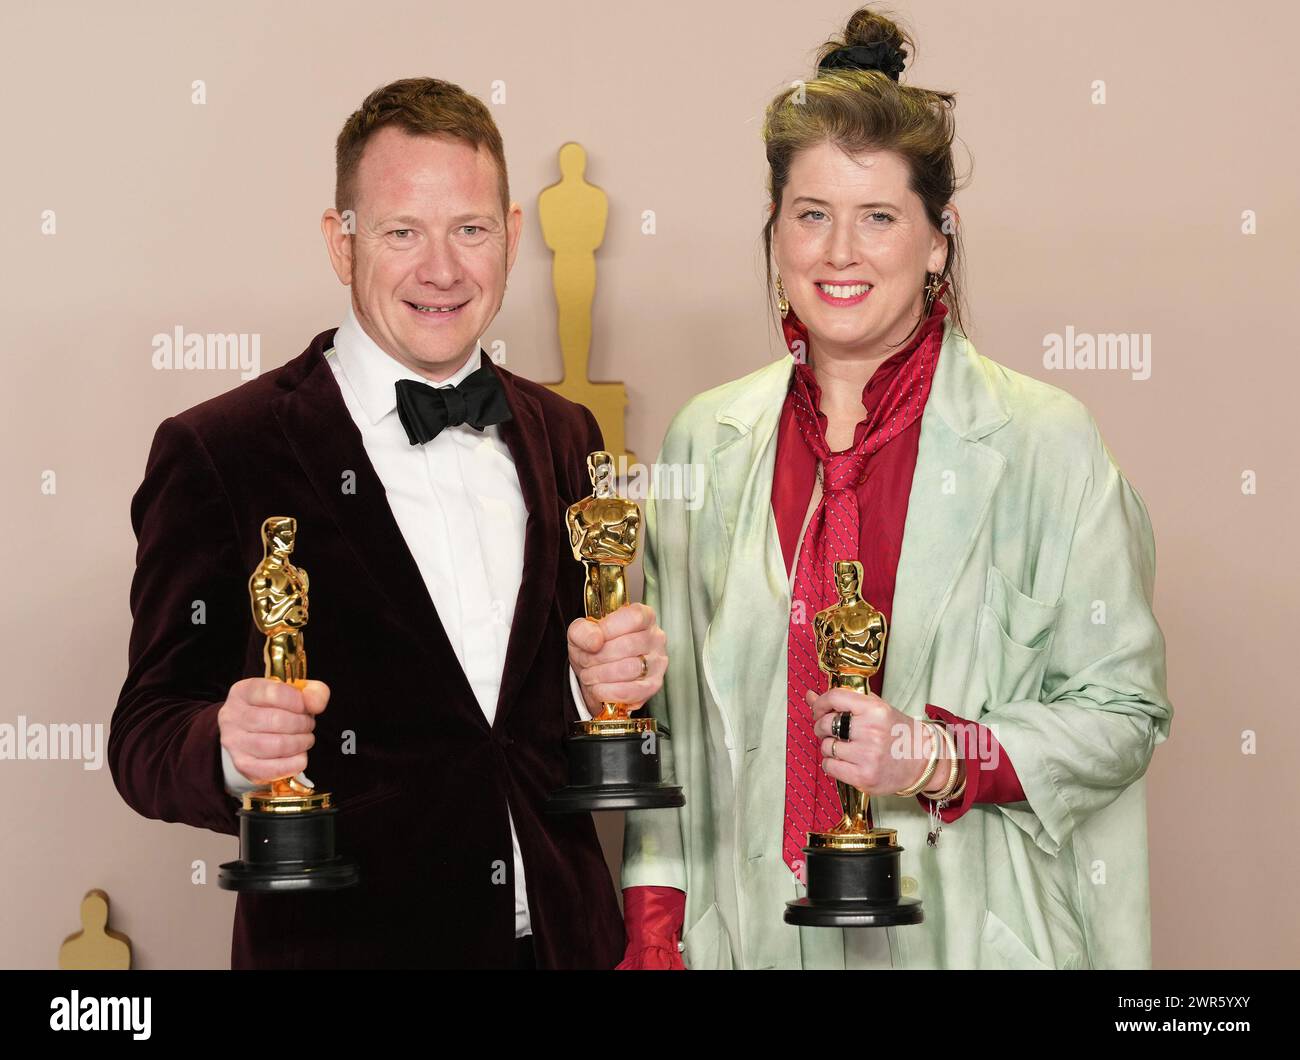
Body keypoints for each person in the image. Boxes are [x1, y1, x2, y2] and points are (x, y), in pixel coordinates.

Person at [618, 8, 1172, 970]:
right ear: (776, 234)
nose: (840, 253)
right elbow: (670, 741)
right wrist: (655, 936)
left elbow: (1124, 715)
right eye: (811, 214)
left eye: (878, 217)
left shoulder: (1047, 442)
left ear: (937, 241)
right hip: (745, 937)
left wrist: (938, 756)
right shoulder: (704, 442)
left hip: (969, 938)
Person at [109, 77, 668, 969]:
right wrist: (226, 745)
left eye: (470, 230)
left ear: (514, 236)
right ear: (343, 242)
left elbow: (529, 721)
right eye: (403, 231)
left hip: (562, 946)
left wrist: (597, 688)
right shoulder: (223, 450)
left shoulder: (566, 434)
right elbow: (143, 736)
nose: (441, 270)